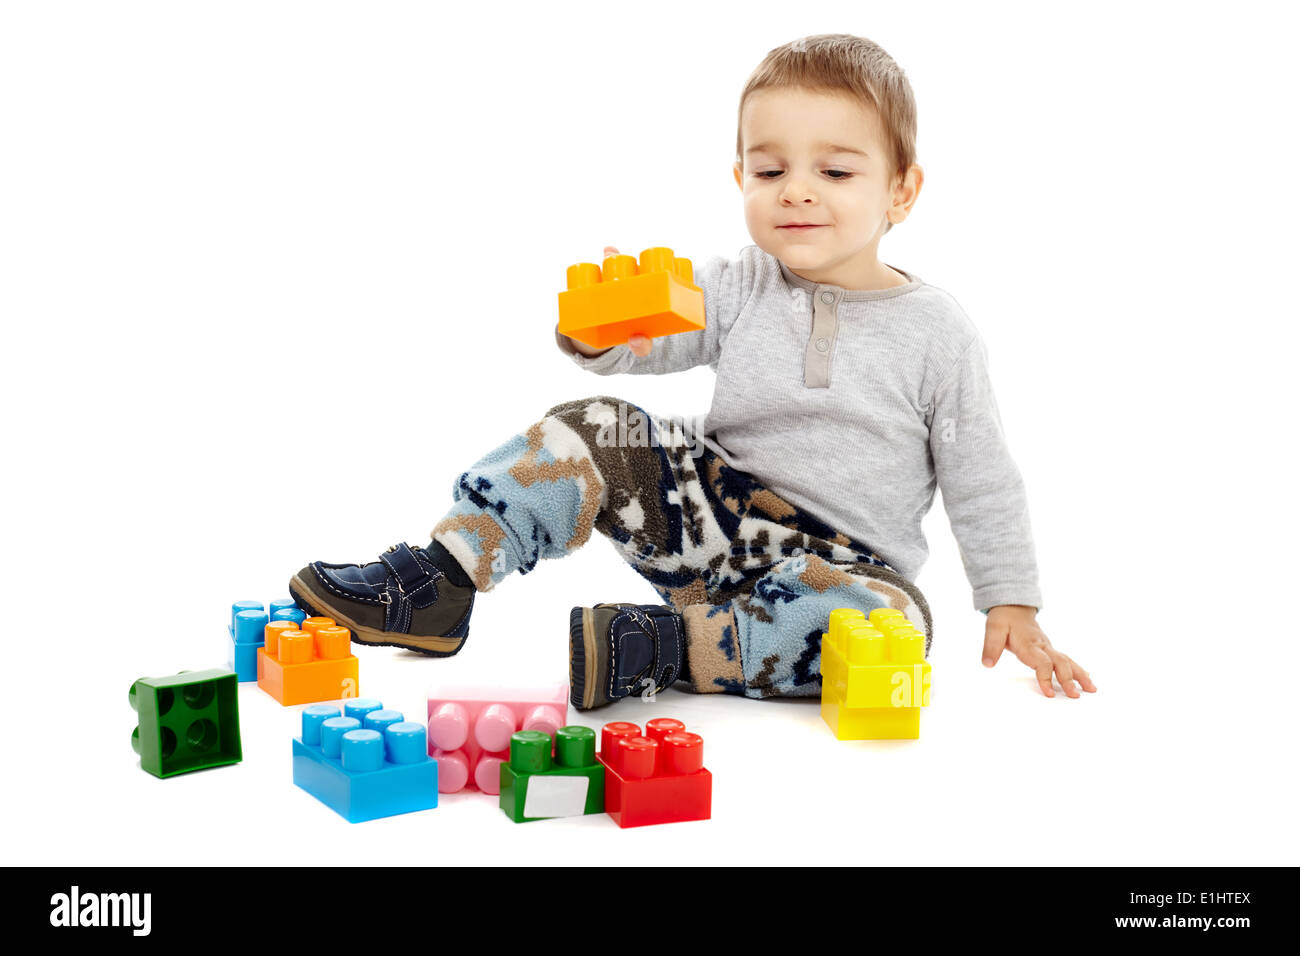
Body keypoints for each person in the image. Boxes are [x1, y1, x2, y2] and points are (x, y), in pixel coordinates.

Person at [288, 33, 1095, 710]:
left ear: (902, 191)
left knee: (894, 623)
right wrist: (608, 329)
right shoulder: (742, 283)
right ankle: (440, 581)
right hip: (713, 526)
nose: (798, 193)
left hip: (845, 563)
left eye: (836, 172)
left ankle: (665, 648)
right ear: (741, 178)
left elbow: (982, 475)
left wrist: (1011, 600)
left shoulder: (938, 332)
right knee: (598, 423)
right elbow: (658, 343)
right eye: (770, 171)